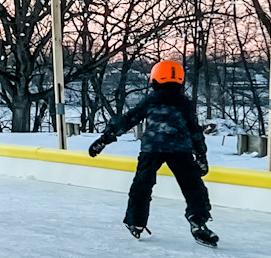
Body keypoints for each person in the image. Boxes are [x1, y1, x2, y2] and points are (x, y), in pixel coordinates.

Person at [88, 60, 218, 246]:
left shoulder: (151, 100)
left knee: (142, 185)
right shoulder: (185, 103)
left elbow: (128, 120)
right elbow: (194, 130)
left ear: (155, 79)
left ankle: (135, 221)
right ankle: (198, 221)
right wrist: (201, 155)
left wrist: (104, 139)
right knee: (194, 187)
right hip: (180, 149)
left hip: (152, 149)